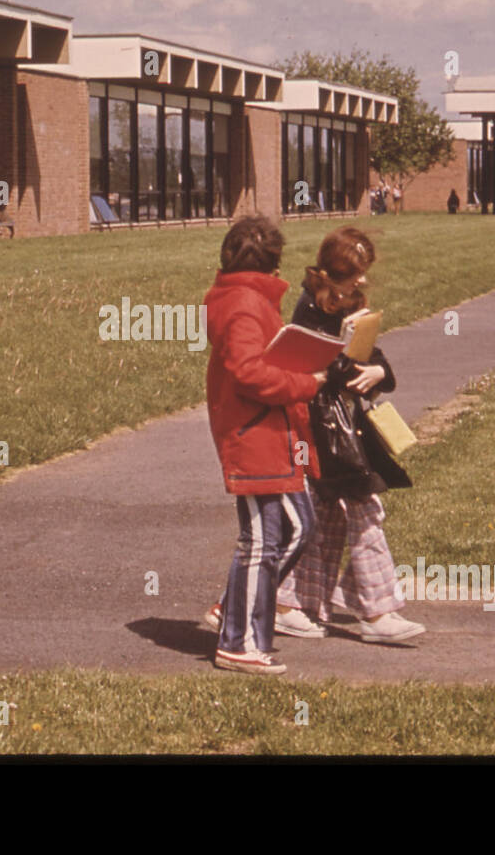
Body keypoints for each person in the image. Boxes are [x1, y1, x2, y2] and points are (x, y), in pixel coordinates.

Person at [274, 226, 426, 643]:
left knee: (327, 517)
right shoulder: (311, 309)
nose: (361, 280)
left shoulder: (349, 303)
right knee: (364, 509)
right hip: (325, 426)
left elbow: (370, 357)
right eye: (355, 271)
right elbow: (319, 367)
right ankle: (377, 612)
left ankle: (294, 602)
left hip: (341, 422)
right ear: (336, 270)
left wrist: (380, 371)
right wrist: (345, 349)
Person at [202, 216, 326, 675]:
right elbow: (248, 373)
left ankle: (233, 607)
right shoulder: (243, 305)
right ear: (274, 261)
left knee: (298, 527)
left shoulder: (250, 299)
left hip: (273, 433)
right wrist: (306, 382)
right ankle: (239, 641)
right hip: (253, 434)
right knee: (261, 540)